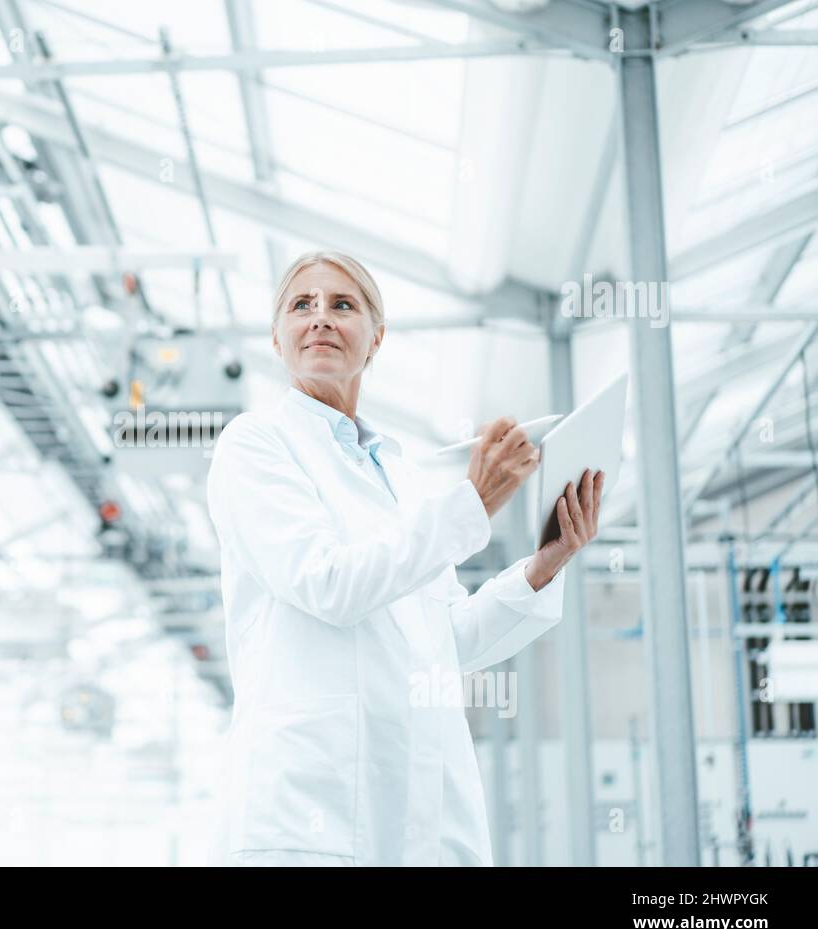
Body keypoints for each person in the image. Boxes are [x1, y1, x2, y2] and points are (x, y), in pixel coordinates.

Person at [205, 250, 603, 866]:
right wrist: (473, 504)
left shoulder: (402, 474)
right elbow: (328, 584)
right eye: (301, 306)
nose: (320, 319)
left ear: (376, 338)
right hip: (310, 810)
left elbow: (448, 639)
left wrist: (545, 563)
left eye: (343, 305)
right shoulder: (255, 446)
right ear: (278, 338)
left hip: (419, 812)